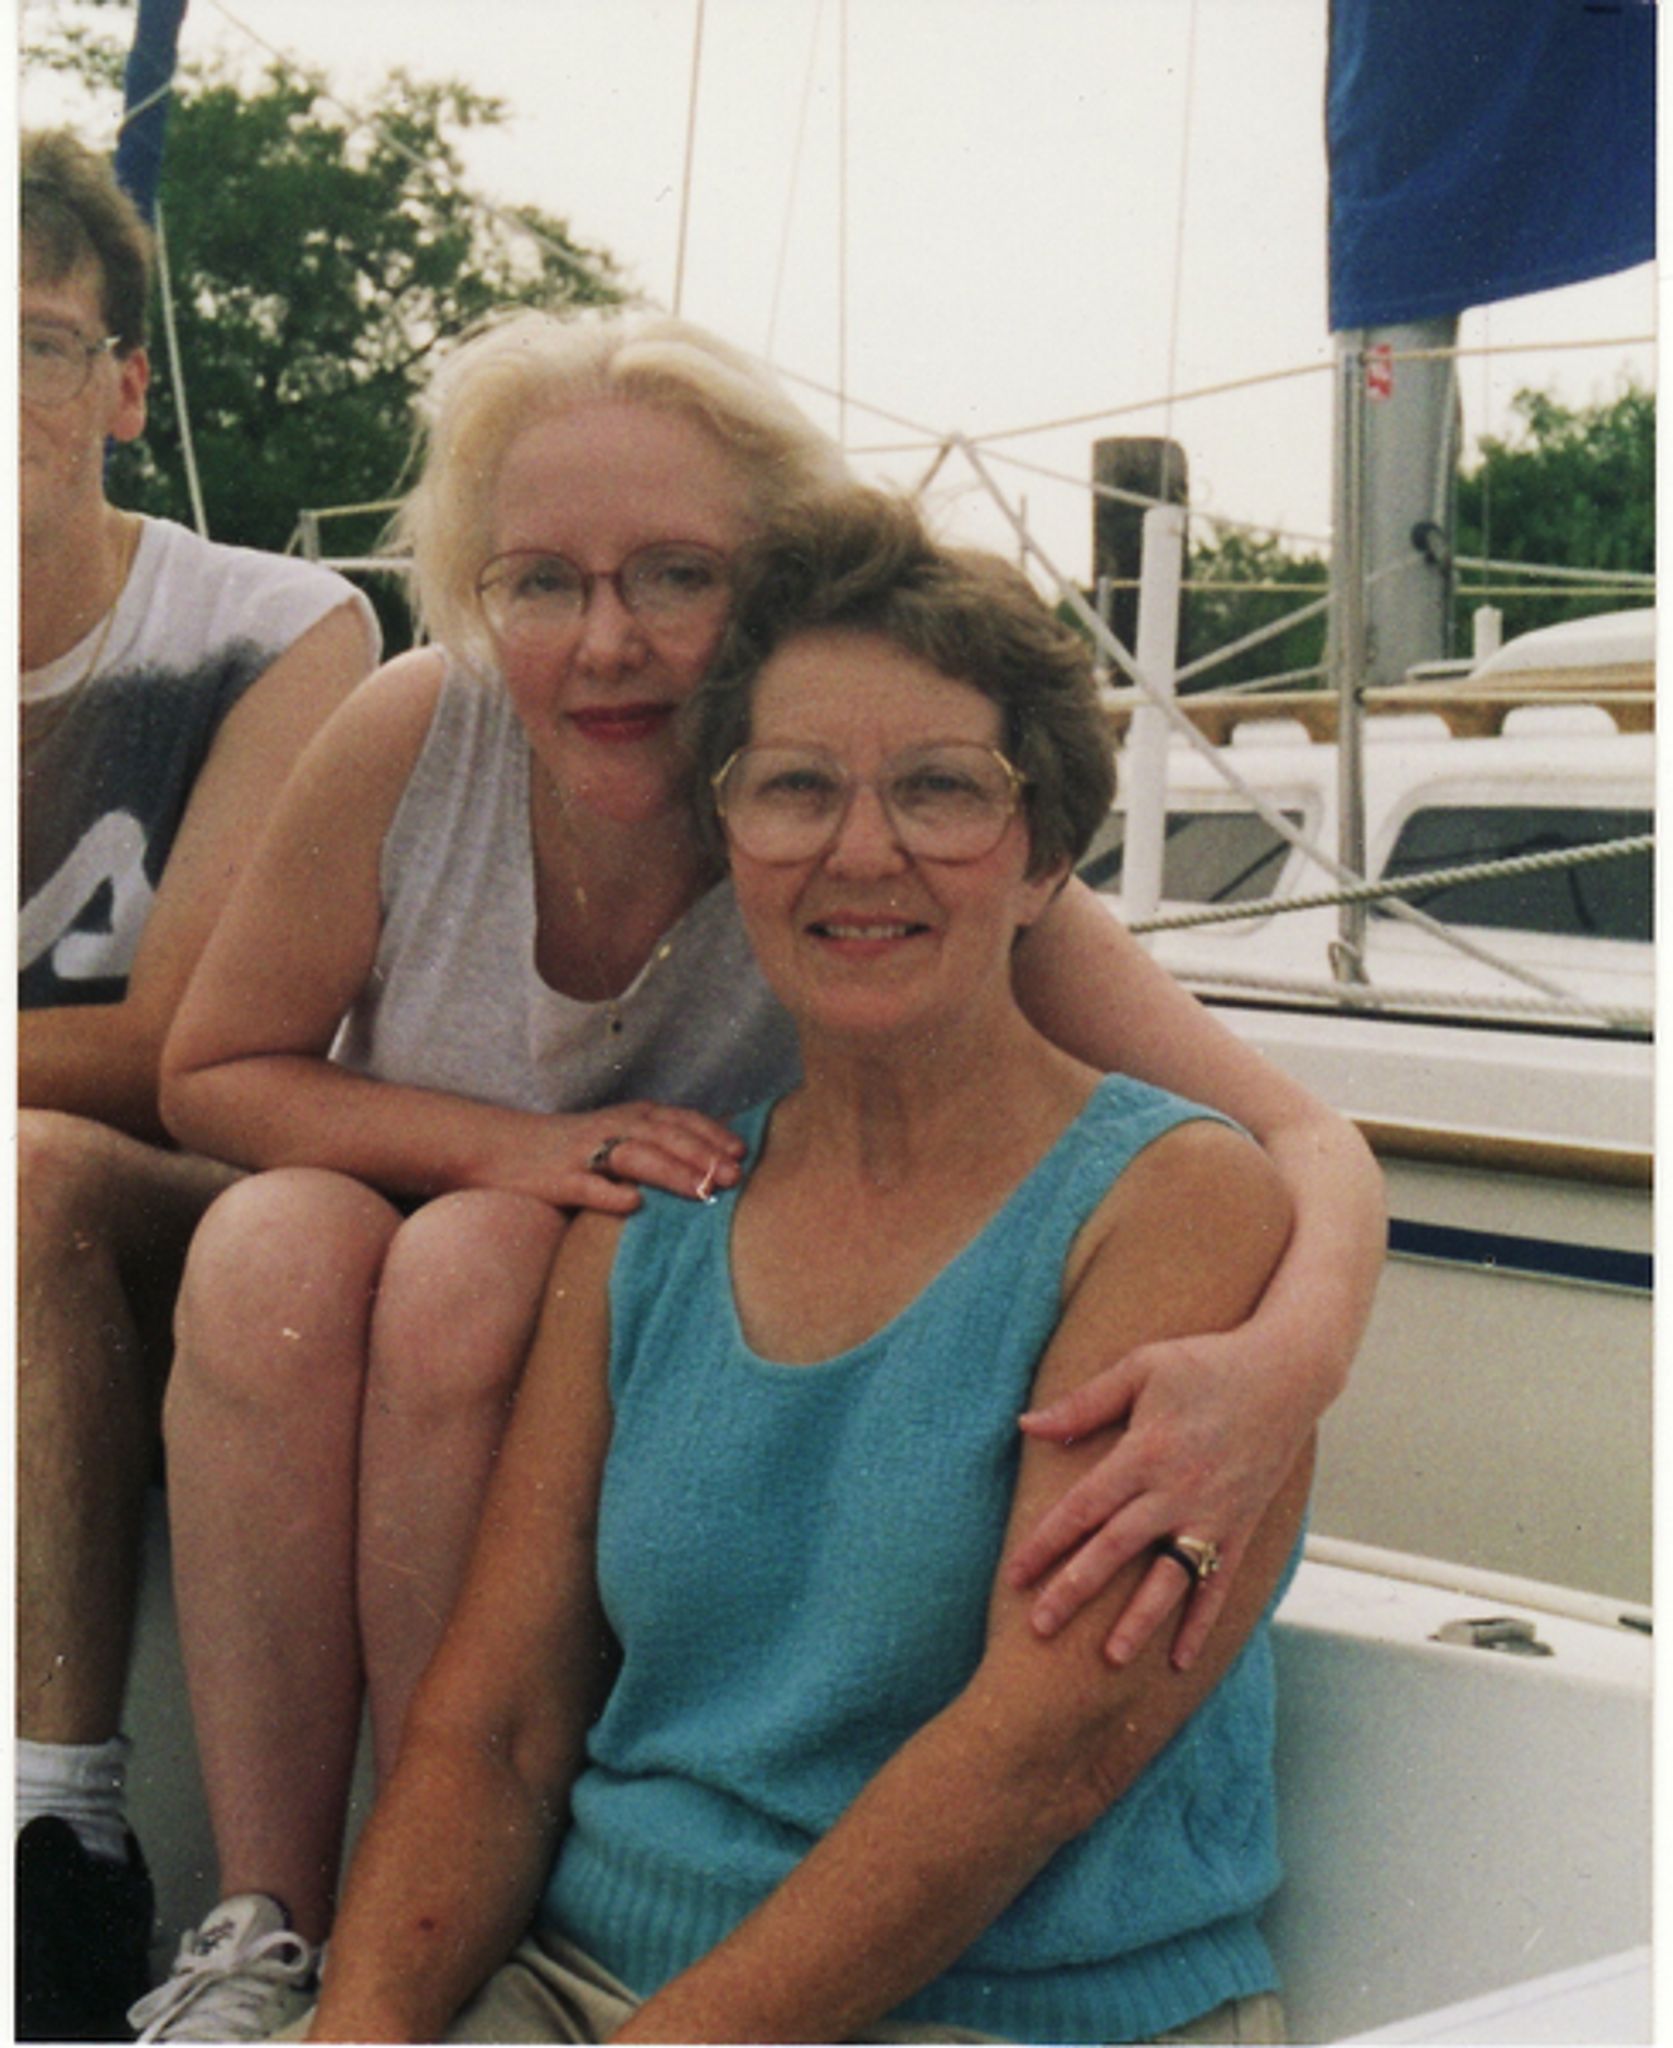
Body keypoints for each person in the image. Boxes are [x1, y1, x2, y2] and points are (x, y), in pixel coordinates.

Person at [140, 309, 1378, 2038]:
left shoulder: (1149, 1187)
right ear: (732, 822)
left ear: (1036, 850)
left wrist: (1287, 1366)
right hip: (586, 1949)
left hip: (983, 2007)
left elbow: (1040, 1753)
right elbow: (494, 1730)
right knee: (311, 1246)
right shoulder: (643, 1195)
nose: (862, 849)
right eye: (794, 791)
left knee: (470, 1263)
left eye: (673, 575)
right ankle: (271, 1924)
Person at [15, 128, 381, 2043]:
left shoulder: (273, 627)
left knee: (33, 1171)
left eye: (34, 341)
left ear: (123, 389)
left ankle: (55, 1840)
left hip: (185, 1232)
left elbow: (178, 1057)